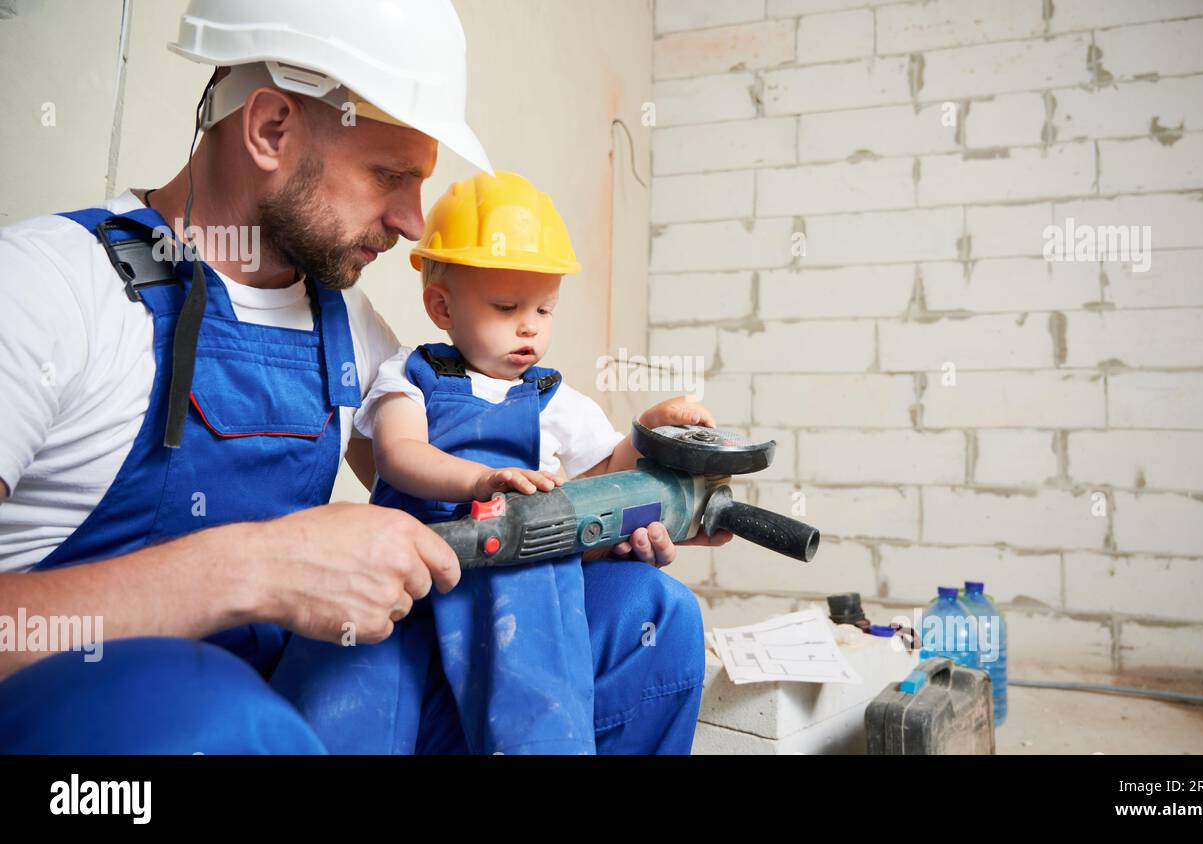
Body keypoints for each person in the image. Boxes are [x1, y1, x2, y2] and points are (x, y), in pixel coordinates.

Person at [0, 1, 720, 754]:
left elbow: (470, 514)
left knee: (644, 619)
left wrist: (605, 510)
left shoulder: (348, 326)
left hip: (299, 706)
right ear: (270, 129)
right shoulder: (49, 285)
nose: (413, 221)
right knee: (214, 721)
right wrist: (253, 568)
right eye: (389, 175)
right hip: (104, 731)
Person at [270, 171, 722, 754]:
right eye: (507, 306)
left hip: (523, 579)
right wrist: (481, 480)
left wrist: (654, 429)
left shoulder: (553, 398)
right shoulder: (413, 377)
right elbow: (398, 455)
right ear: (441, 306)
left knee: (536, 705)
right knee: (356, 699)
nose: (530, 325)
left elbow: (611, 467)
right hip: (413, 575)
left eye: (545, 308)